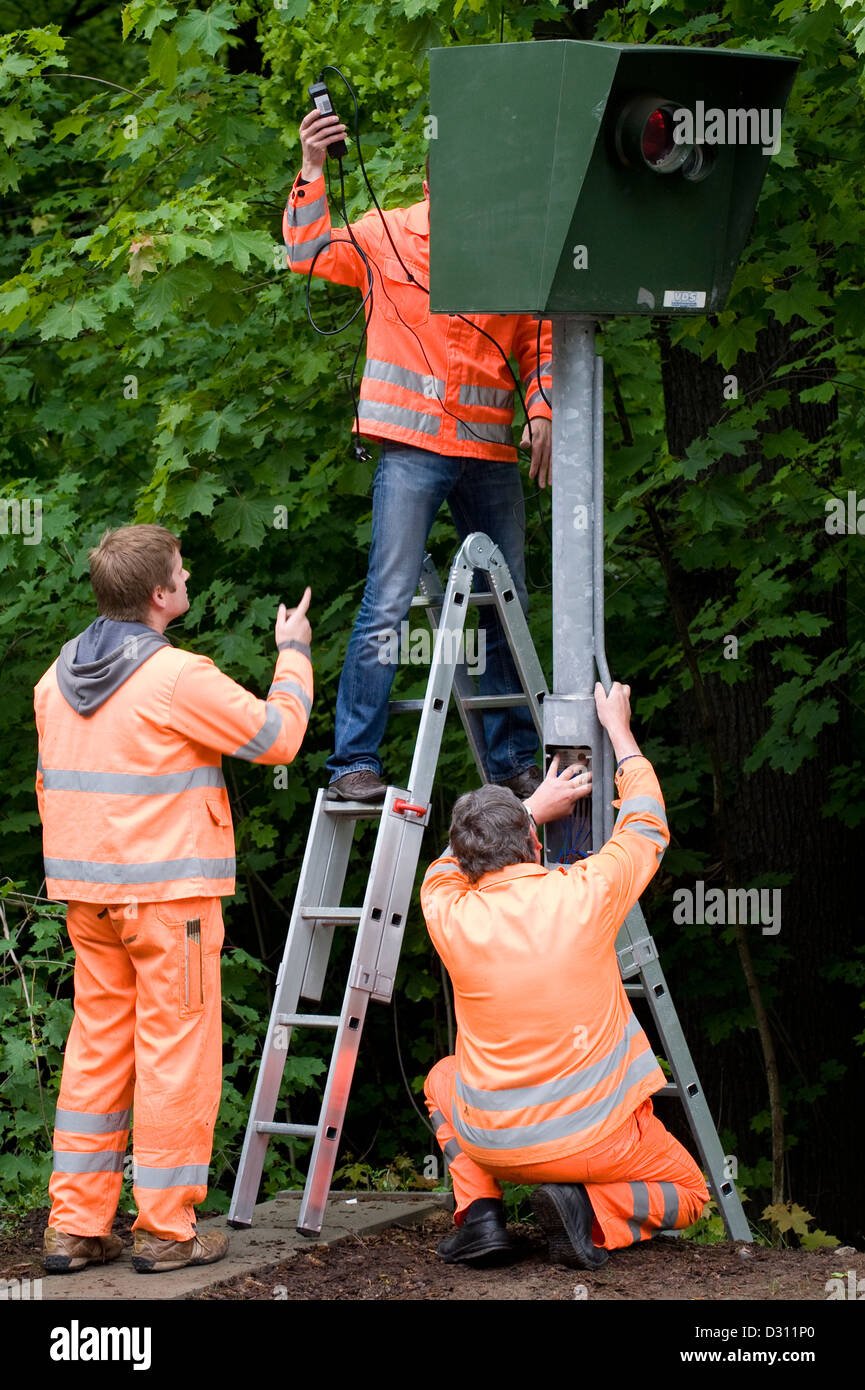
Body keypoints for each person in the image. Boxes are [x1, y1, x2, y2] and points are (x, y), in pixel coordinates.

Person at [34, 524, 313, 1274]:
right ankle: (165, 1231)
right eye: (181, 571)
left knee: (96, 1052)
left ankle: (76, 1227)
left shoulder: (53, 680)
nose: (188, 577)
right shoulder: (176, 677)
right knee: (174, 1056)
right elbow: (278, 737)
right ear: (160, 595)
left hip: (89, 900)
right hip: (169, 905)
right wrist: (294, 653)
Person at [283, 105, 554, 804]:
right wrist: (311, 170)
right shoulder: (388, 234)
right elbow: (306, 254)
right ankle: (353, 765)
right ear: (436, 185)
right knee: (388, 601)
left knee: (506, 607)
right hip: (412, 450)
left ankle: (514, 763)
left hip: (489, 453)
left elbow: (539, 343)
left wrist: (541, 408)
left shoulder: (512, 254)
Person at [420, 681, 710, 1268]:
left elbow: (446, 864)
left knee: (442, 1078)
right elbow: (647, 826)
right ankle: (587, 1210)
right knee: (692, 1193)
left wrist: (529, 806)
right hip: (597, 1142)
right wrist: (620, 732)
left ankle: (481, 1217)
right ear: (533, 842)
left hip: (494, 1145)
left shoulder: (446, 910)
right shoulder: (587, 893)